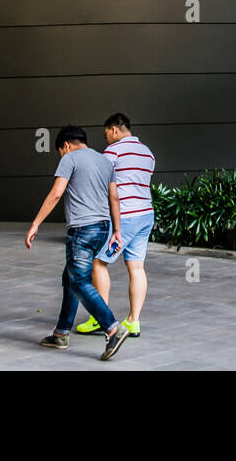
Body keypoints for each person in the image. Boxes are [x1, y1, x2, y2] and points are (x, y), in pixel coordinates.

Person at [25, 125, 131, 361]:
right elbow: (114, 197)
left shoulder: (69, 158)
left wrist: (35, 224)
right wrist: (117, 231)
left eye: (60, 152)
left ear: (65, 145)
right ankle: (61, 333)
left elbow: (56, 193)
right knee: (70, 277)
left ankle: (113, 328)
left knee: (80, 281)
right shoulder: (105, 161)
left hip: (82, 229)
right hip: (103, 228)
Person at [76, 113, 156, 340]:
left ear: (114, 130)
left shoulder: (114, 151)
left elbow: (100, 180)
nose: (106, 140)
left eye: (106, 135)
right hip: (146, 215)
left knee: (99, 263)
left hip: (125, 217)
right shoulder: (148, 153)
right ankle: (133, 321)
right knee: (137, 268)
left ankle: (100, 319)